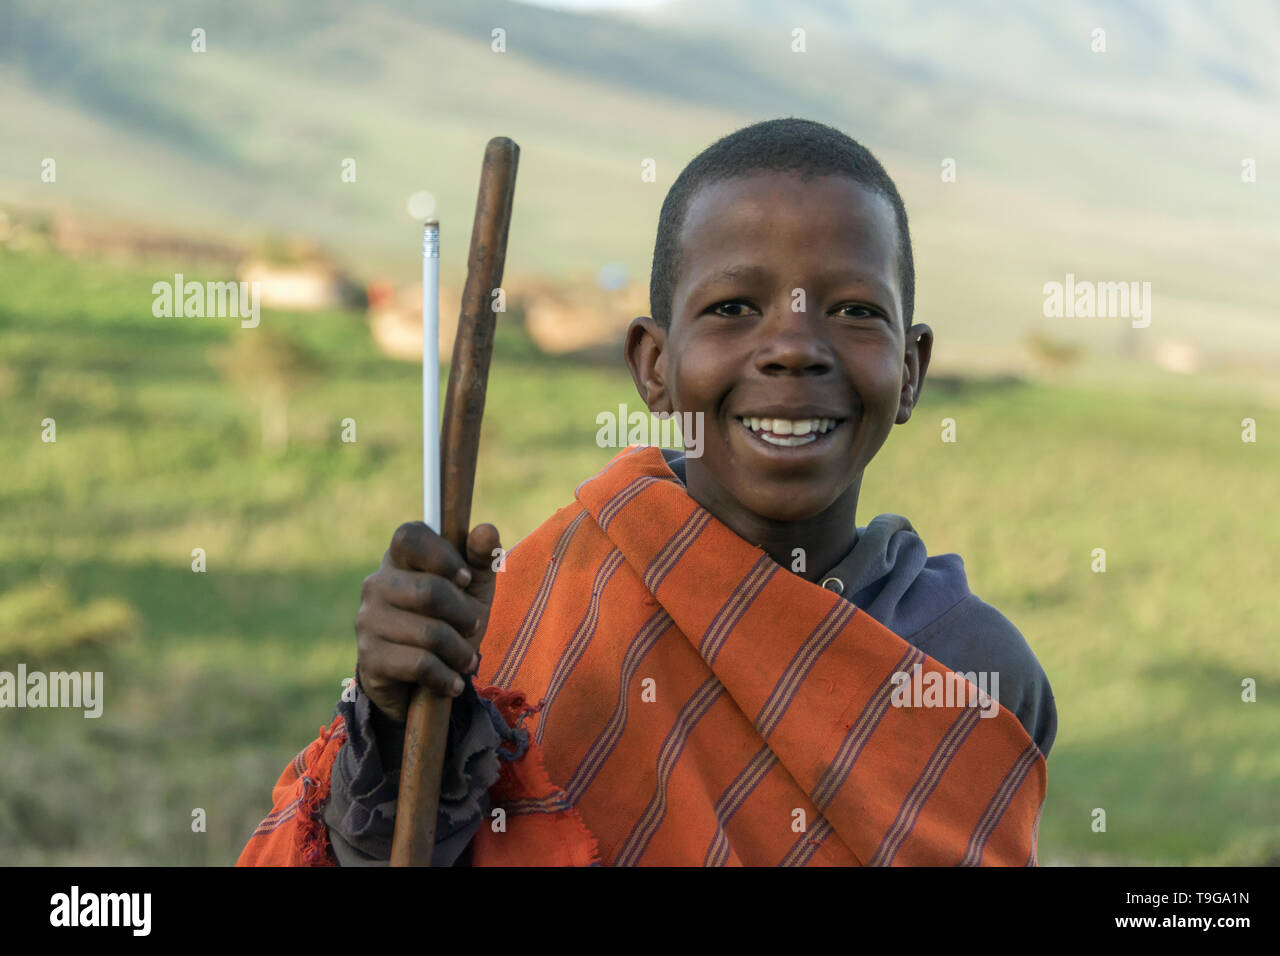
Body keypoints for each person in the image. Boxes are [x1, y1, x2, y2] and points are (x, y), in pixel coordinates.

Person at [238, 117, 1056, 867]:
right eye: (734, 307)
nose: (795, 349)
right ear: (653, 366)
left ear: (910, 371)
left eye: (852, 311)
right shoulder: (530, 614)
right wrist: (394, 722)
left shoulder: (972, 670)